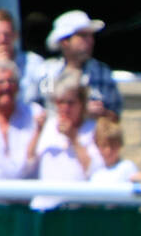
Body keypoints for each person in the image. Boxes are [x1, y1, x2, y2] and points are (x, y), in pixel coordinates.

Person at [27, 71, 101, 209]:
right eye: (60, 102)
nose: (65, 108)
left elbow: (95, 171)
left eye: (70, 103)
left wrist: (73, 138)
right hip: (45, 207)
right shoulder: (47, 126)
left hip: (78, 210)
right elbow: (29, 164)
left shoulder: (93, 129)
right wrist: (37, 132)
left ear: (82, 104)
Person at [38, 10, 121, 120]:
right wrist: (80, 112)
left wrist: (102, 113)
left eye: (91, 36)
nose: (90, 41)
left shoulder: (102, 72)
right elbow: (33, 112)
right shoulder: (46, 71)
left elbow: (115, 117)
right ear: (65, 41)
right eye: (83, 35)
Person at [0, 57, 41, 180]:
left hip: (28, 194)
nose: (7, 86)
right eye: (1, 82)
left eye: (11, 81)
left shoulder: (34, 113)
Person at [0, 9, 45, 106]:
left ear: (15, 36)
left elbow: (49, 93)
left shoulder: (35, 62)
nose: (2, 40)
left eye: (7, 35)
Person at [88, 118, 138, 184]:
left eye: (113, 145)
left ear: (119, 145)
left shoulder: (127, 167)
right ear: (98, 146)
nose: (108, 150)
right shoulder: (95, 172)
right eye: (104, 145)